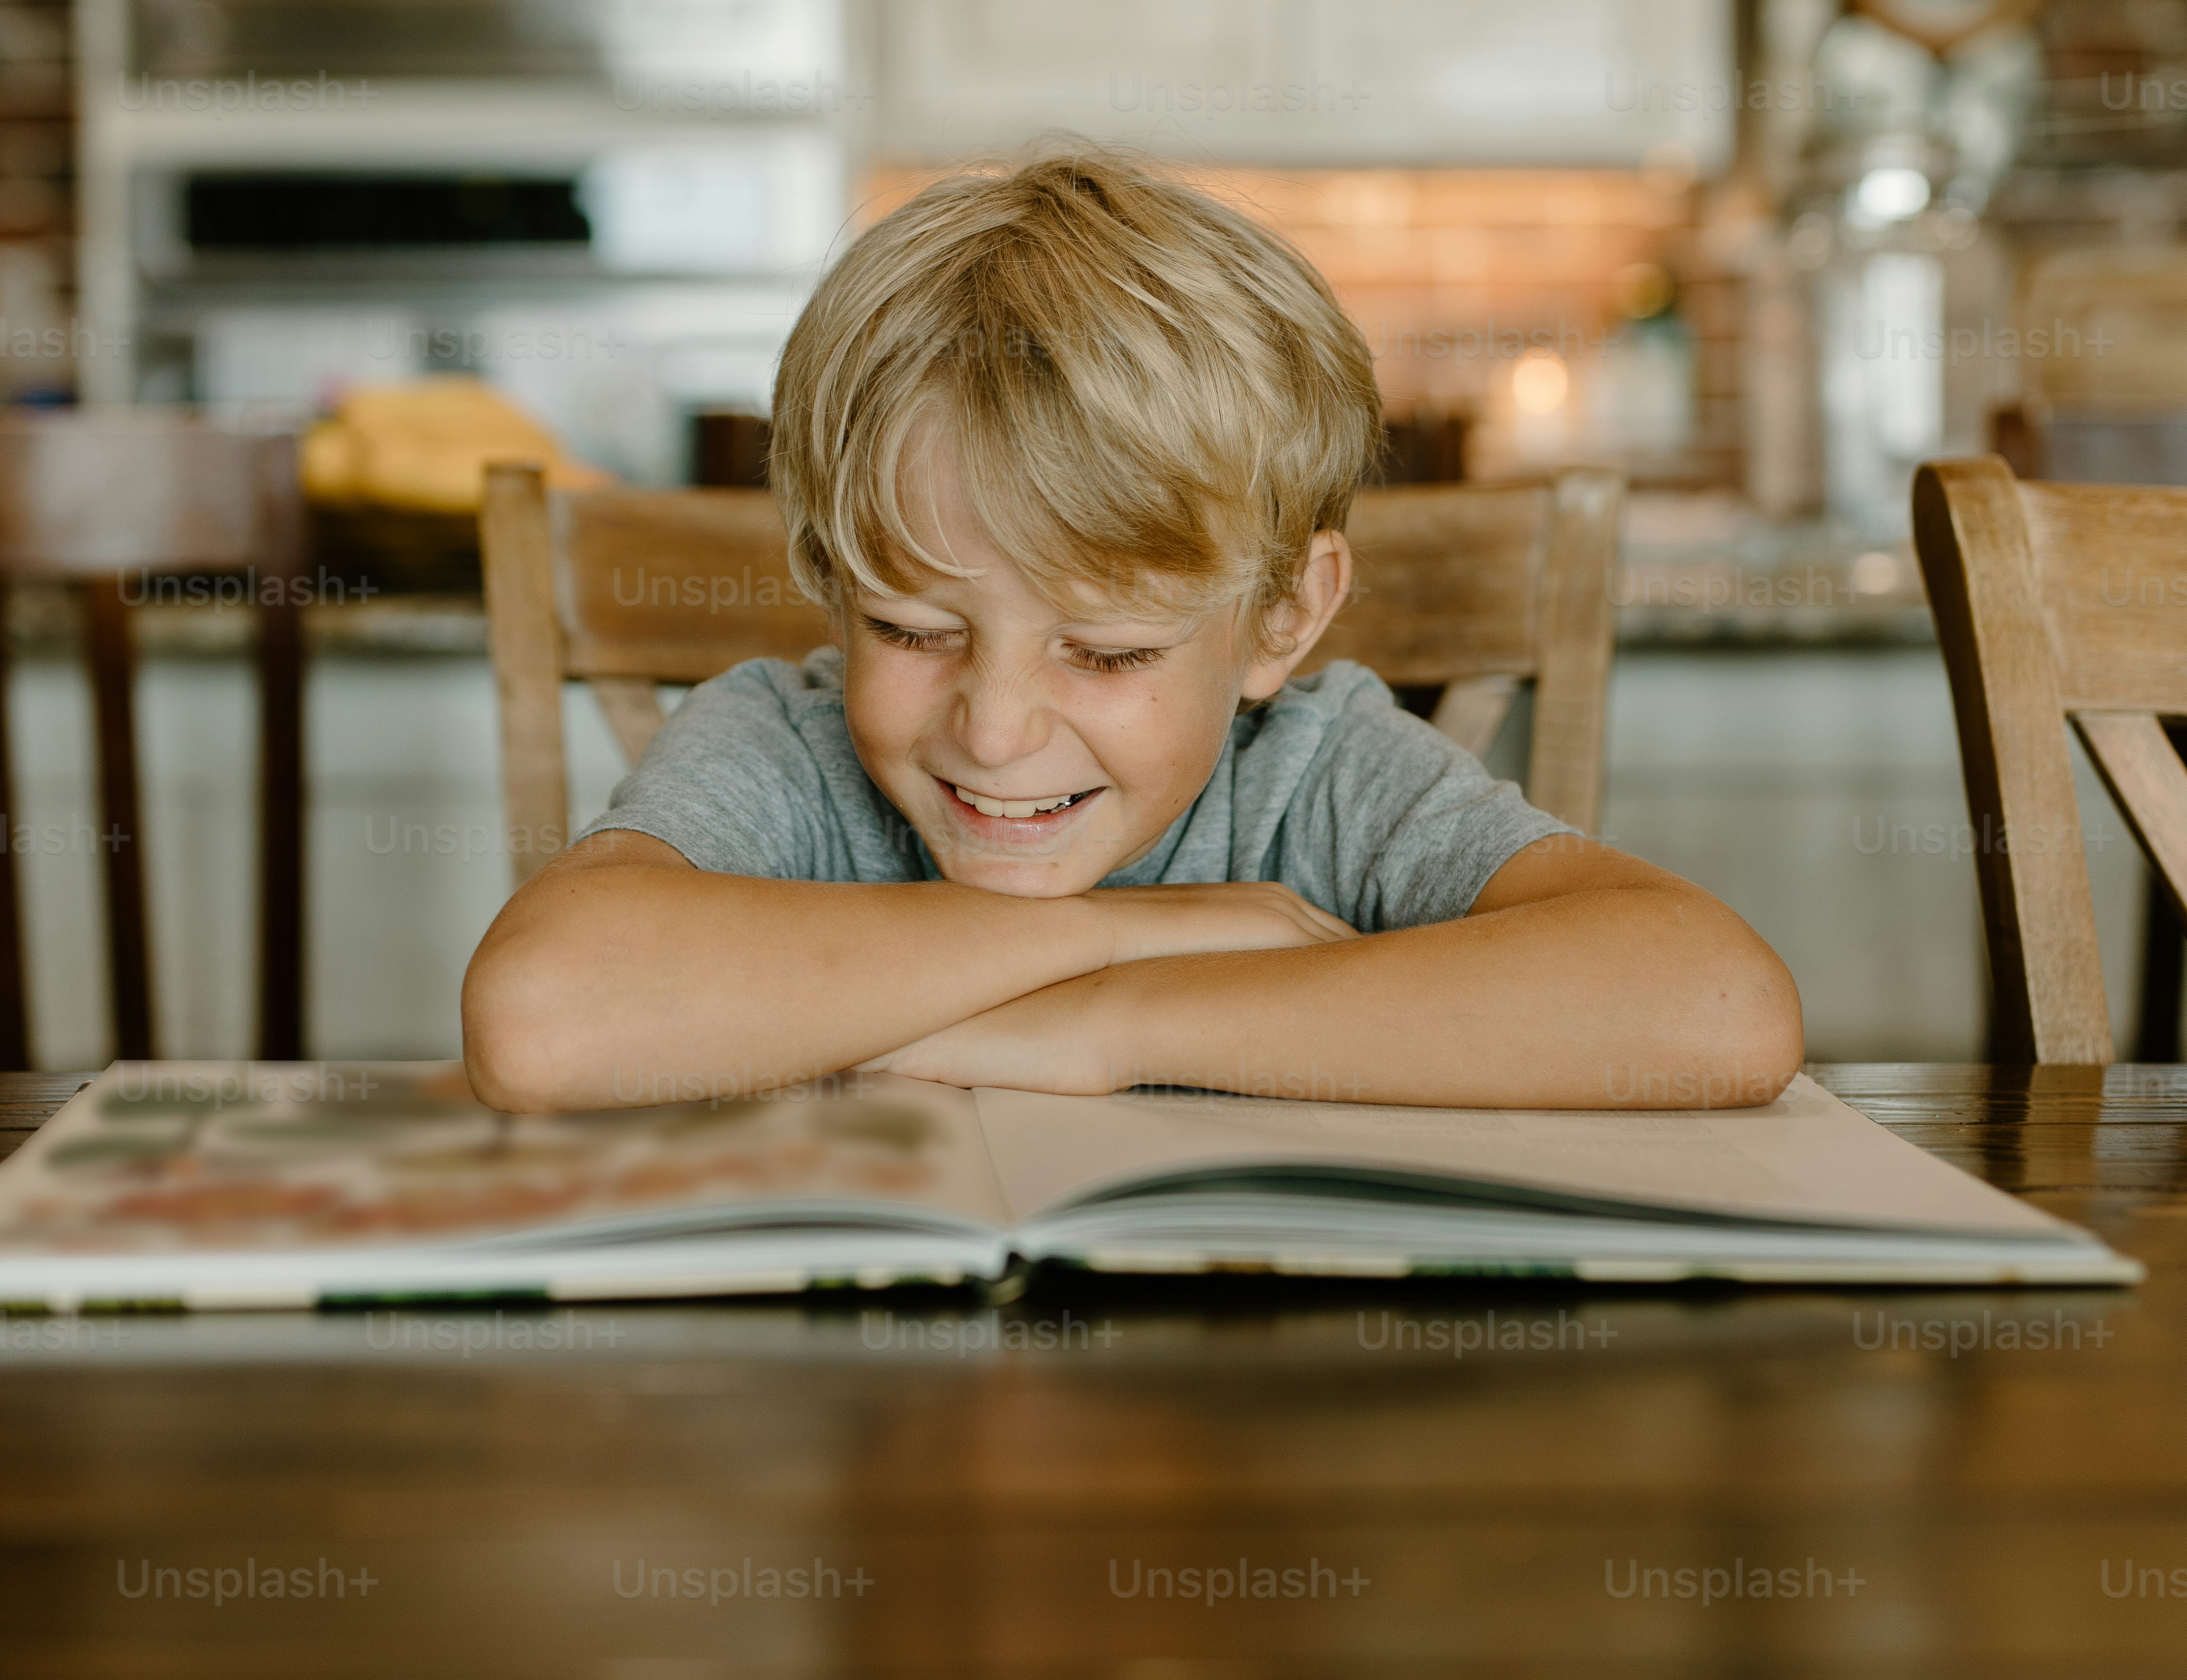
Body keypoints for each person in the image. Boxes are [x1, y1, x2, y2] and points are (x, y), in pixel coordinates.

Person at [462, 152, 1801, 1113]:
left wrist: (1110, 1025)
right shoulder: (784, 745)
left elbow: (1714, 1007)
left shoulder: (1318, 771)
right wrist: (1143, 929)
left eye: (1104, 654)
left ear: (1283, 615)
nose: (992, 729)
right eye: (913, 628)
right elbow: (543, 1018)